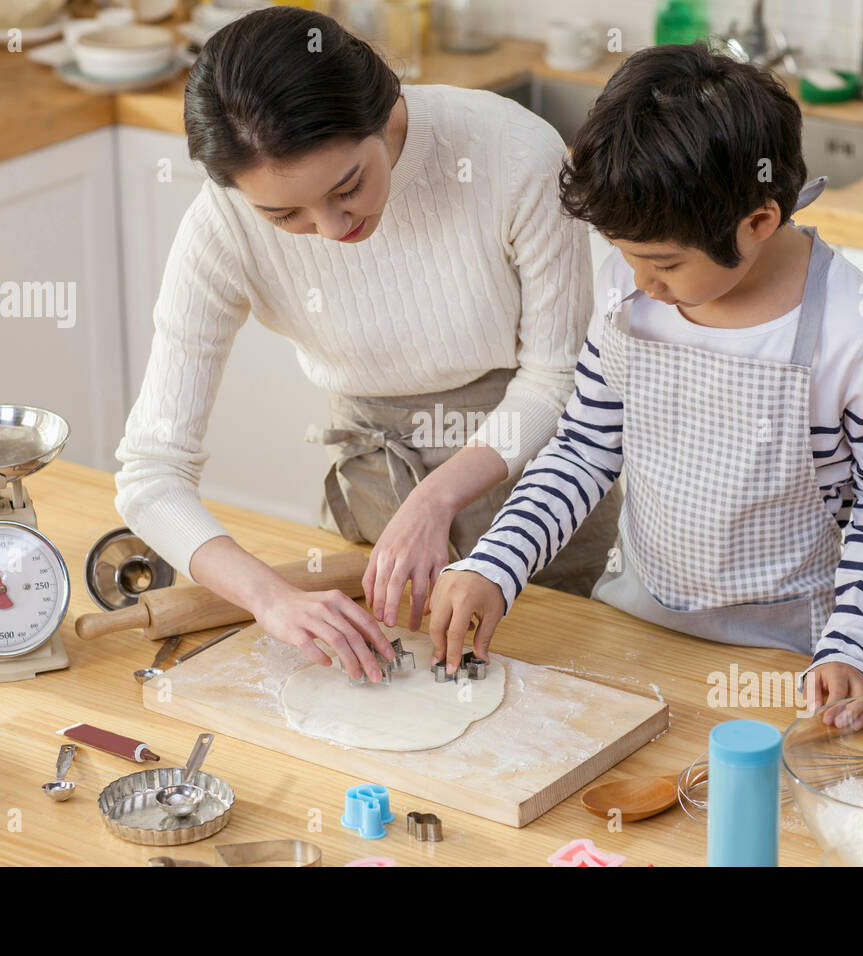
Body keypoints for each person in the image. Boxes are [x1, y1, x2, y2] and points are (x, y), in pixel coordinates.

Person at [429, 44, 863, 728]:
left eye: (663, 264)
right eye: (626, 256)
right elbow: (584, 450)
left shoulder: (855, 334)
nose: (640, 281)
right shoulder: (629, 295)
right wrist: (496, 563)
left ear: (758, 222)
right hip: (634, 625)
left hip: (790, 660)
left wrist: (857, 648)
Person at [114, 7, 620, 682]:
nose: (330, 228)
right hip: (375, 493)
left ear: (382, 111)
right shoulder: (221, 227)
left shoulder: (511, 152)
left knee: (567, 691)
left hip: (537, 490)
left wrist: (435, 498)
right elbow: (151, 474)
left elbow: (556, 379)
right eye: (283, 214)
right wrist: (270, 599)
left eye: (347, 186)